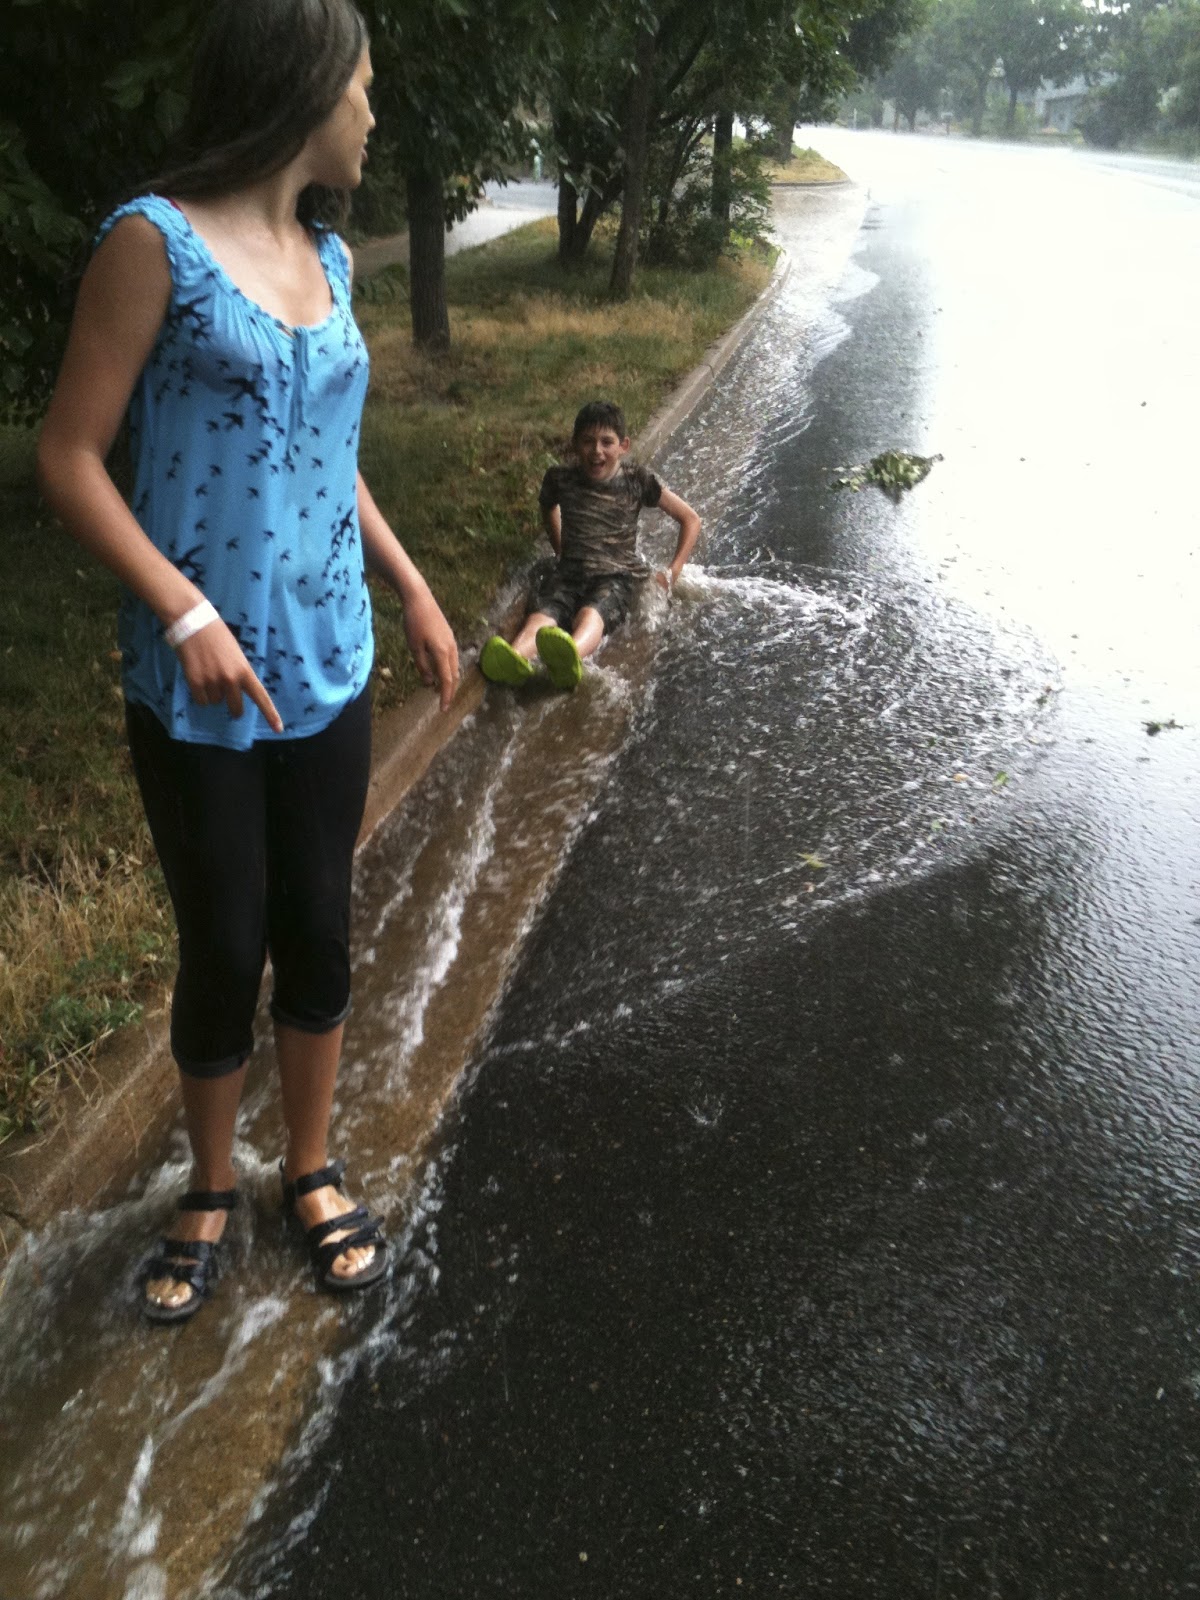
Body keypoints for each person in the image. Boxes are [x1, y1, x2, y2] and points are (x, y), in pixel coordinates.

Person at [35, 0, 459, 1323]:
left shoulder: (330, 261)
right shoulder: (149, 242)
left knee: (318, 925)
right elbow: (67, 455)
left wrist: (414, 583)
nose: (375, 114)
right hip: (199, 681)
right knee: (224, 939)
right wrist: (183, 612)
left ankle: (311, 1168)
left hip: (329, 659)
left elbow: (330, 456)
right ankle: (213, 1182)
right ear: (304, 86)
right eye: (365, 88)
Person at [479, 401, 700, 691]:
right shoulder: (561, 479)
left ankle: (573, 651)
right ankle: (515, 658)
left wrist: (673, 571)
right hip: (569, 572)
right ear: (575, 445)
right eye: (587, 442)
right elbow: (548, 507)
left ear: (623, 445)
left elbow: (690, 519)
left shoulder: (637, 481)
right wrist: (560, 548)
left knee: (591, 614)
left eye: (606, 442)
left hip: (616, 577)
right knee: (541, 616)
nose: (596, 451)